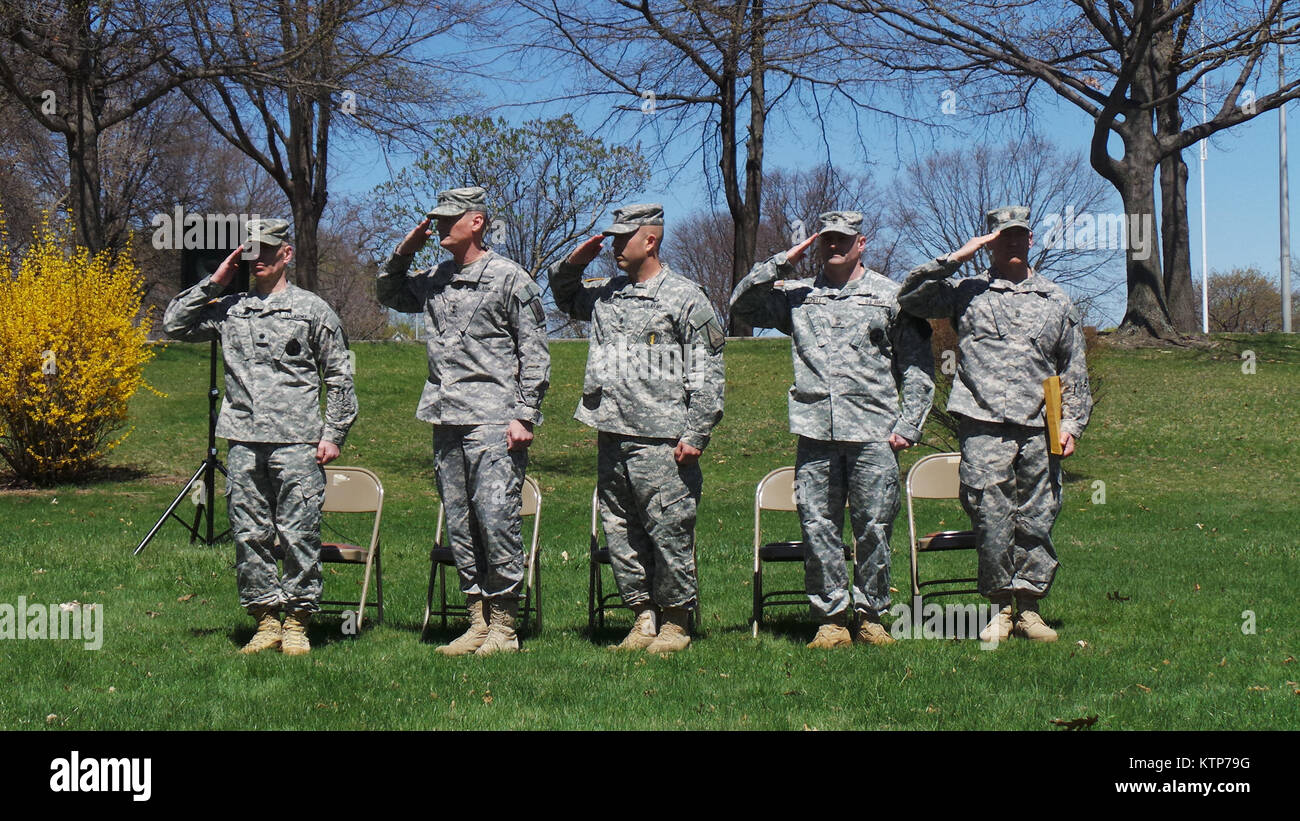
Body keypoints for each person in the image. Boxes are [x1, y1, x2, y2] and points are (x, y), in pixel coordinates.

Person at [730, 211, 934, 648]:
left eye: (843, 239)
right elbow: (741, 305)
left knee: (875, 527)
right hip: (815, 433)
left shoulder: (890, 296)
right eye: (826, 240)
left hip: (875, 432)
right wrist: (784, 261)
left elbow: (917, 365)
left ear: (862, 243)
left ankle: (872, 614)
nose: (834, 246)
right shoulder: (797, 295)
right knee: (817, 524)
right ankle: (831, 618)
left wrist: (908, 425)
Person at [897, 205, 1092, 643]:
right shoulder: (965, 291)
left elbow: (1073, 368)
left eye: (1020, 235)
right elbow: (908, 296)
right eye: (1003, 236)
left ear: (1030, 238)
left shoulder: (1055, 299)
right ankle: (1000, 607)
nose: (1013, 242)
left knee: (1038, 517)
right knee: (989, 515)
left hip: (1042, 425)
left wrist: (1072, 425)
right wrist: (959, 257)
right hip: (983, 422)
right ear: (989, 241)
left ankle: (1029, 609)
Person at [163, 218, 358, 656]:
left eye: (267, 251)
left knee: (297, 532)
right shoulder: (232, 308)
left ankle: (297, 622)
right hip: (245, 441)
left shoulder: (312, 310)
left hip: (298, 442)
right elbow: (174, 325)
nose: (258, 260)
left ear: (286, 254)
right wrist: (214, 281)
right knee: (248, 534)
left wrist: (334, 433)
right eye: (249, 252)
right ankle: (266, 620)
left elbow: (341, 377)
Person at [376, 187, 550, 656]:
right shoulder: (434, 278)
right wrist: (403, 251)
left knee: (496, 519)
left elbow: (535, 352)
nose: (437, 226)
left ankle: (505, 627)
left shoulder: (510, 279)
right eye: (433, 218)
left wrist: (524, 414)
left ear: (476, 222)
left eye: (447, 218)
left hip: (494, 419)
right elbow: (388, 293)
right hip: (446, 415)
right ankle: (476, 619)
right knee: (461, 522)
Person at [551, 203, 725, 654]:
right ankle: (642, 618)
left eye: (621, 237)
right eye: (609, 238)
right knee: (621, 529)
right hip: (611, 431)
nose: (612, 246)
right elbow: (562, 294)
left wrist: (696, 433)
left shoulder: (685, 297)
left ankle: (676, 624)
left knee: (669, 529)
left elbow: (706, 371)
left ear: (650, 240)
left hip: (663, 439)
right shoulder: (607, 294)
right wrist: (577, 258)